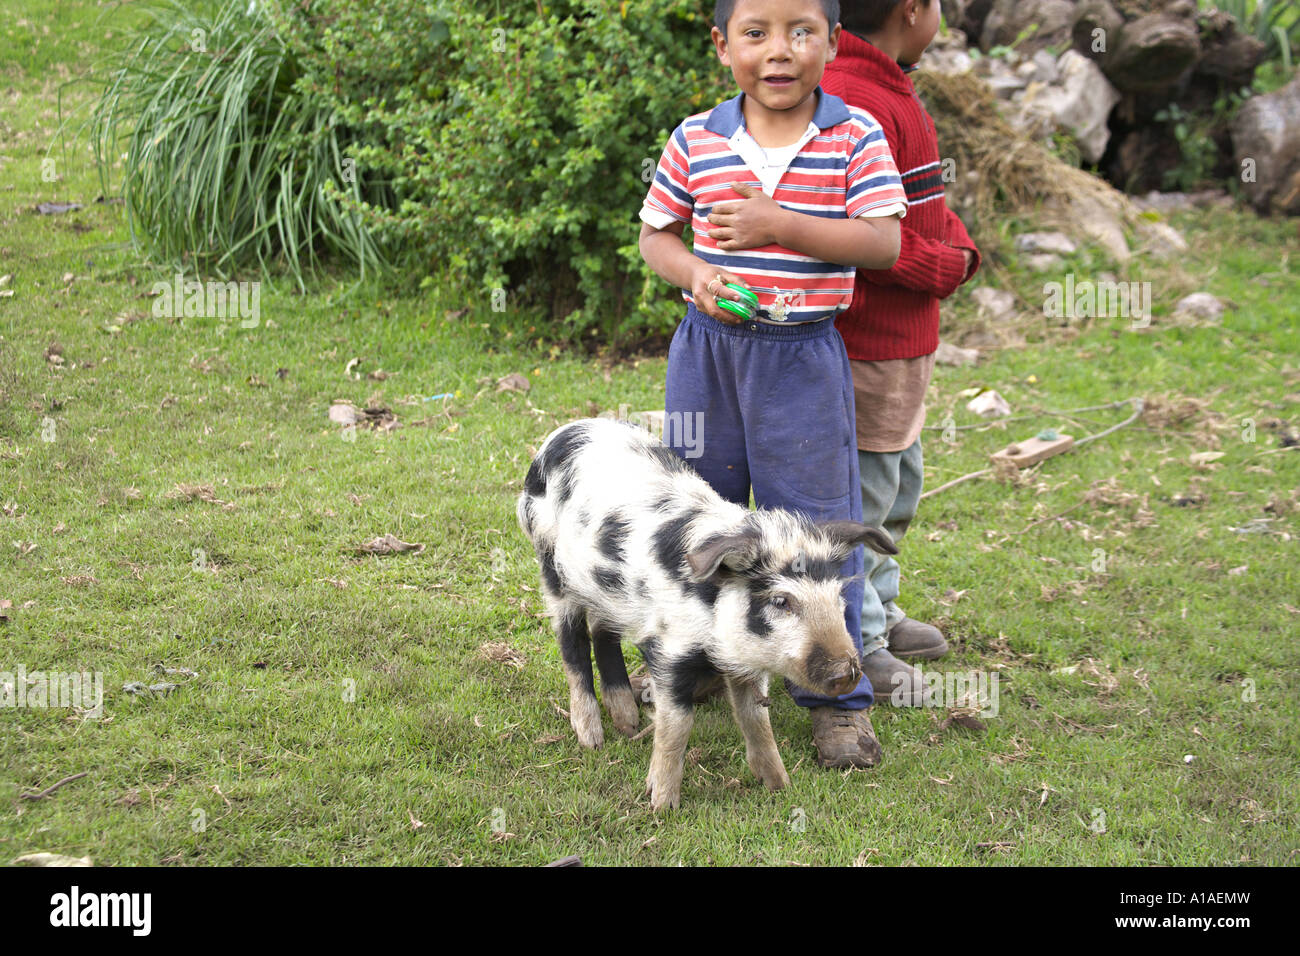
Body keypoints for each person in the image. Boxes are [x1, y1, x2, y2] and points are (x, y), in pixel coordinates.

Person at [638, 0, 908, 768]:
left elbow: (884, 242)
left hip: (801, 362)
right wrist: (694, 275)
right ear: (724, 45)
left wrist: (777, 225)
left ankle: (835, 700)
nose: (779, 51)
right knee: (696, 515)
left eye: (802, 32)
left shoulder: (855, 136)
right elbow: (655, 235)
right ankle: (683, 661)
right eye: (756, 33)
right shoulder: (697, 136)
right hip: (707, 358)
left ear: (833, 42)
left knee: (820, 528)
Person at [820, 0, 982, 705]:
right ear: (912, 9)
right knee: (868, 493)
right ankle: (862, 641)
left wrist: (958, 240)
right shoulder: (852, 98)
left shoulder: (893, 86)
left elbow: (921, 202)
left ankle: (880, 607)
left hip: (908, 338)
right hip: (870, 337)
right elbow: (858, 235)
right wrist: (940, 265)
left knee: (899, 482)